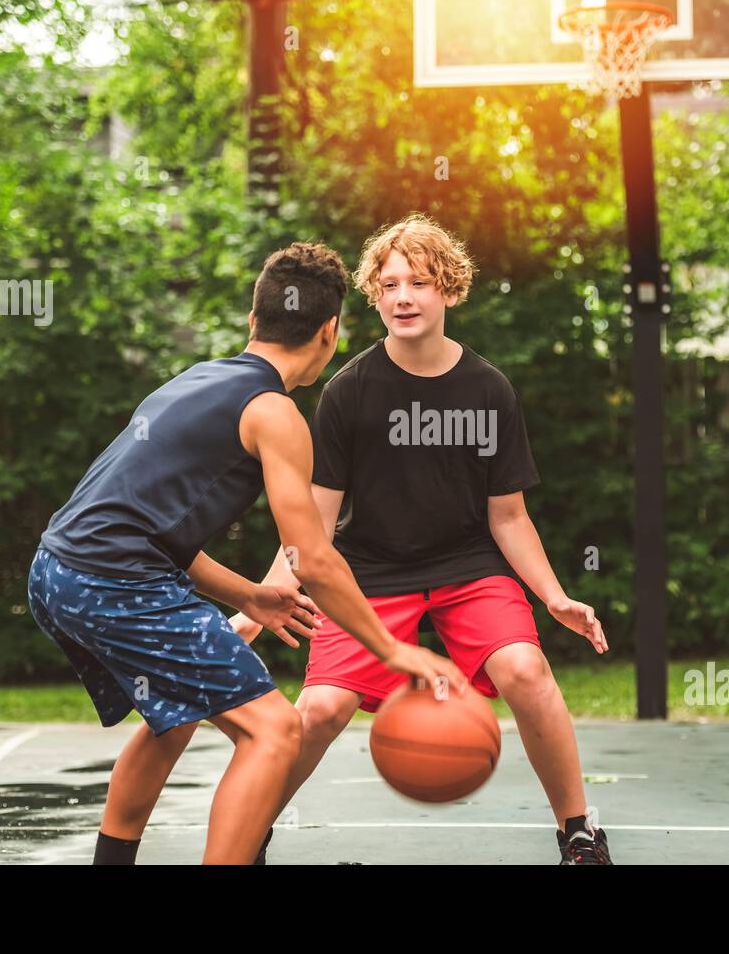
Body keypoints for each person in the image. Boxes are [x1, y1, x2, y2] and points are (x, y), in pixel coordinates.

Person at [27, 241, 465, 865]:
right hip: (112, 581)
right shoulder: (276, 414)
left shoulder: (195, 380)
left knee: (174, 711)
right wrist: (393, 648)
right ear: (329, 332)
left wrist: (250, 595)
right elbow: (312, 556)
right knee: (275, 730)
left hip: (56, 571)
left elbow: (145, 529)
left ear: (253, 320)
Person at [233, 216, 612, 864]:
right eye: (389, 284)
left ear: (451, 291)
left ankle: (578, 834)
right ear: (374, 297)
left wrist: (553, 597)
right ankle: (248, 833)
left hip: (468, 564)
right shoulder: (348, 393)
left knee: (526, 668)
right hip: (370, 570)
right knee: (320, 708)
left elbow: (509, 517)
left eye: (420, 281)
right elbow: (314, 522)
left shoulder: (488, 390)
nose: (403, 296)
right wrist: (260, 602)